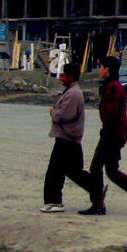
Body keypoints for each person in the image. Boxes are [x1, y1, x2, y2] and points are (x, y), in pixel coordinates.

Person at [81, 56, 127, 215]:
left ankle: (98, 205)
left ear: (107, 69)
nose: (99, 70)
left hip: (112, 134)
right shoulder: (111, 85)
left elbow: (112, 114)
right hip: (114, 133)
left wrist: (106, 133)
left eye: (101, 67)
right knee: (111, 171)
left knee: (96, 168)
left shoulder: (113, 87)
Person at [41, 65, 94, 213]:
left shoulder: (73, 94)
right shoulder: (71, 91)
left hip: (67, 138)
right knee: (73, 171)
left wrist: (53, 112)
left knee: (55, 172)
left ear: (71, 77)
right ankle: (96, 189)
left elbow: (64, 115)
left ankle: (53, 201)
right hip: (69, 138)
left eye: (64, 75)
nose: (61, 78)